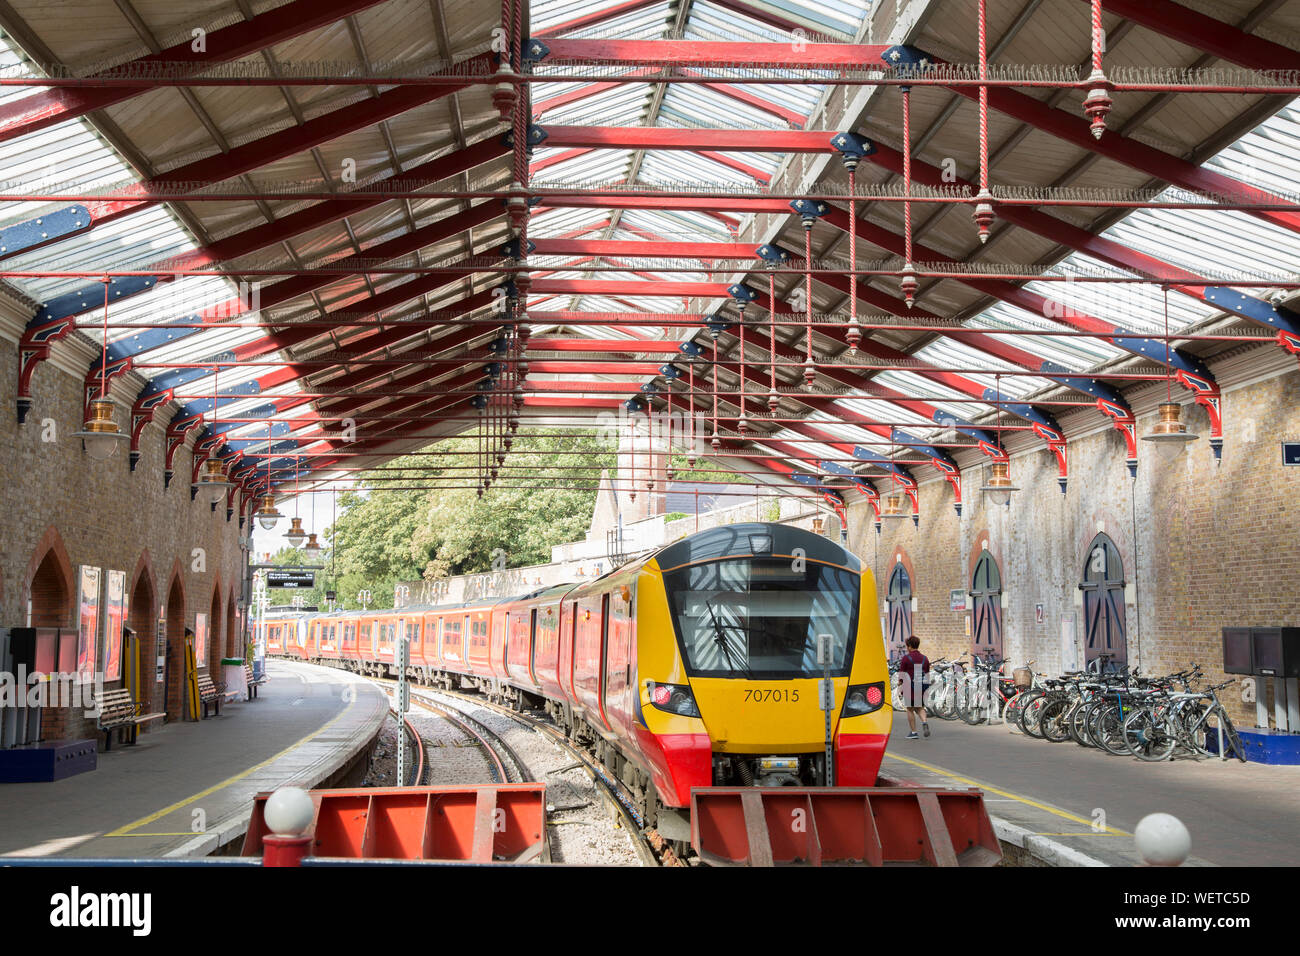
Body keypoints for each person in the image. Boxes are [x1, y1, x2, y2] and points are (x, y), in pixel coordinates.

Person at [896, 635, 931, 739]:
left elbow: (902, 673)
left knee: (910, 709)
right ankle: (924, 722)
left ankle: (914, 732)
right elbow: (927, 673)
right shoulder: (925, 658)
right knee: (920, 707)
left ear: (910, 646)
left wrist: (899, 683)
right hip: (921, 685)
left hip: (909, 686)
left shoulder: (906, 658)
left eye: (907, 646)